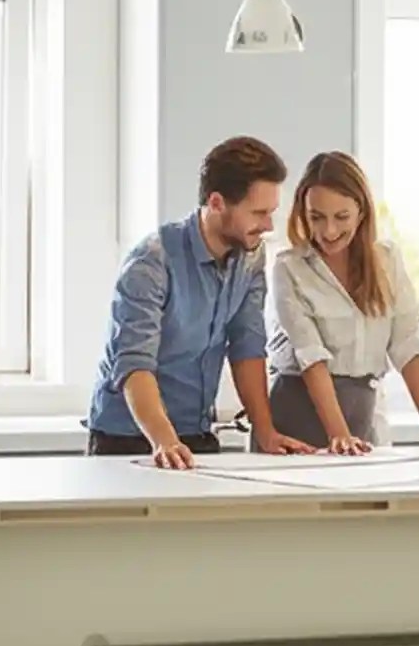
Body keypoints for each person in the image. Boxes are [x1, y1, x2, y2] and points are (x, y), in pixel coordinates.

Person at [87, 136, 315, 468]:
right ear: (218, 202)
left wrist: (266, 432)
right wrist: (164, 442)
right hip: (129, 438)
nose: (267, 226)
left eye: (271, 212)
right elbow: (134, 364)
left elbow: (247, 346)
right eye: (259, 213)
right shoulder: (152, 262)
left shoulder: (250, 257)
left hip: (195, 434)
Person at [260, 150, 419, 455]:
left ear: (361, 212)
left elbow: (407, 343)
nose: (329, 231)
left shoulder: (387, 261)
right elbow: (311, 357)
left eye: (341, 217)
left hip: (362, 417)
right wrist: (339, 435)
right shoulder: (289, 268)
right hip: (298, 418)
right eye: (316, 217)